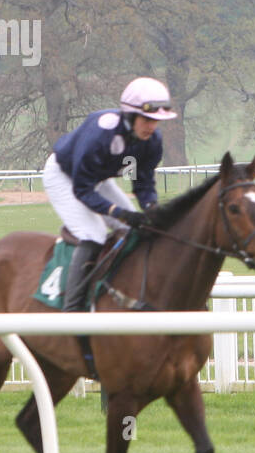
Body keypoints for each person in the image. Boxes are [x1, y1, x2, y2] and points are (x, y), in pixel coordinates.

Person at [42, 77, 177, 314]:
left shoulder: (151, 141)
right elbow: (82, 189)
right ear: (130, 116)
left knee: (136, 230)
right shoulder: (101, 133)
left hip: (98, 179)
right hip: (64, 176)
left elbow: (141, 182)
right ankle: (72, 310)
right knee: (93, 234)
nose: (152, 127)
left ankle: (118, 290)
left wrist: (151, 207)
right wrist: (118, 212)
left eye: (156, 121)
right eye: (147, 119)